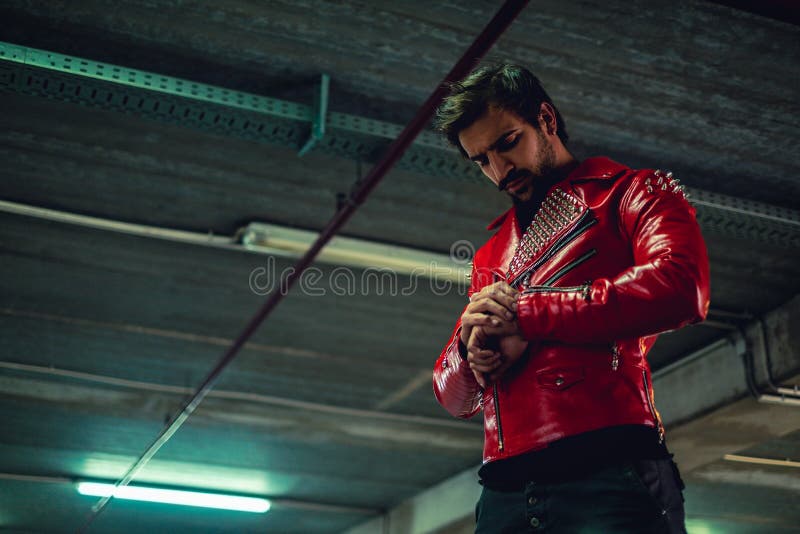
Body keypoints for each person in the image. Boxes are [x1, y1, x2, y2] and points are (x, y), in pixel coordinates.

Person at [432, 64, 710, 533]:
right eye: (481, 161)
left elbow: (683, 287)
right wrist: (468, 348)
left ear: (546, 118)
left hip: (608, 467)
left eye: (507, 143)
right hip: (502, 490)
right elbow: (453, 398)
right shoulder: (490, 254)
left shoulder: (634, 192)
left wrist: (526, 314)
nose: (499, 171)